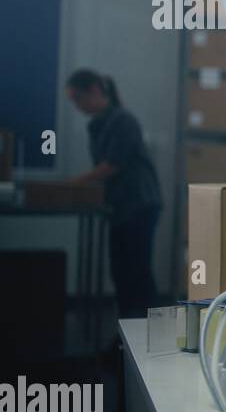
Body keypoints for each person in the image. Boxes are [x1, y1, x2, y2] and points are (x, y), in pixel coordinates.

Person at [66, 69, 163, 319]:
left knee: (137, 271)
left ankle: (145, 331)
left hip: (139, 205)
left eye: (78, 98)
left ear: (95, 91)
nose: (77, 106)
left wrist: (74, 183)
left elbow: (111, 164)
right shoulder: (99, 124)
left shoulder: (123, 120)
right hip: (121, 207)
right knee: (121, 272)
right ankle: (127, 329)